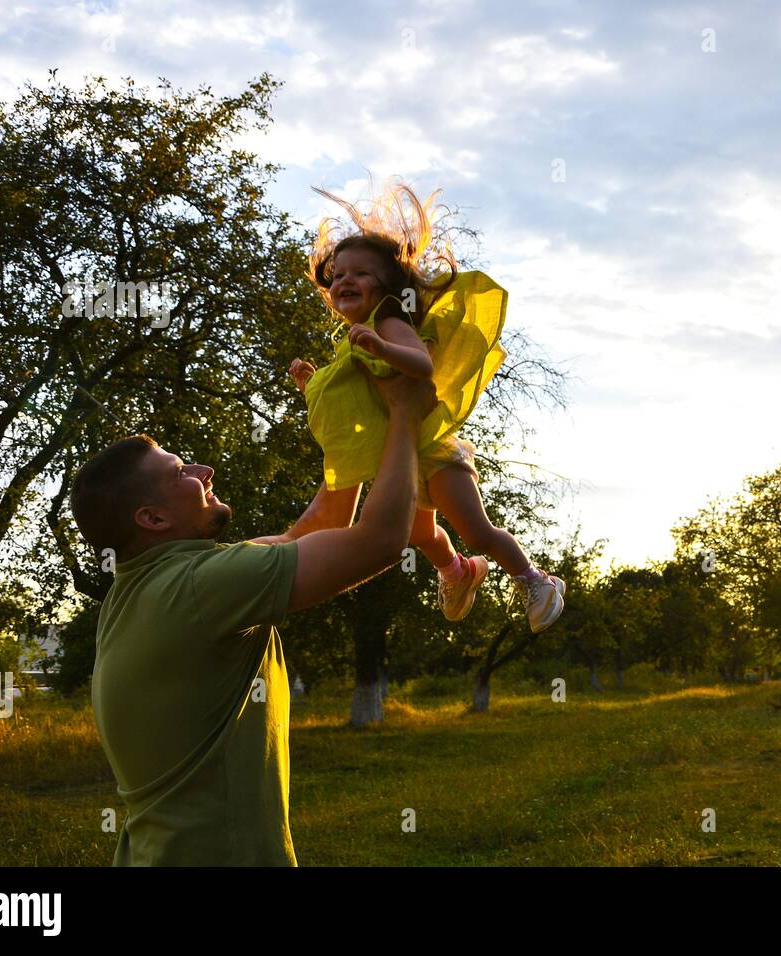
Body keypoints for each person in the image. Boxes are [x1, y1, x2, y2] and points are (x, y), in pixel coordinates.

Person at [73, 369, 436, 866]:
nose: (204, 471)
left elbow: (311, 533)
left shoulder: (151, 586)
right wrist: (405, 413)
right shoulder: (199, 587)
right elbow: (379, 541)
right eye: (181, 472)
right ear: (153, 519)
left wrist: (350, 428)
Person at [270, 179, 564, 633]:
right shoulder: (355, 337)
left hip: (434, 453)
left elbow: (421, 366)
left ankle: (534, 579)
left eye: (361, 273)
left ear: (389, 284)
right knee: (416, 535)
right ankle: (458, 572)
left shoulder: (388, 320)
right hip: (402, 460)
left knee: (476, 530)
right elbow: (360, 402)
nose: (346, 280)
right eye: (339, 273)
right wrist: (311, 383)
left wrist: (384, 348)